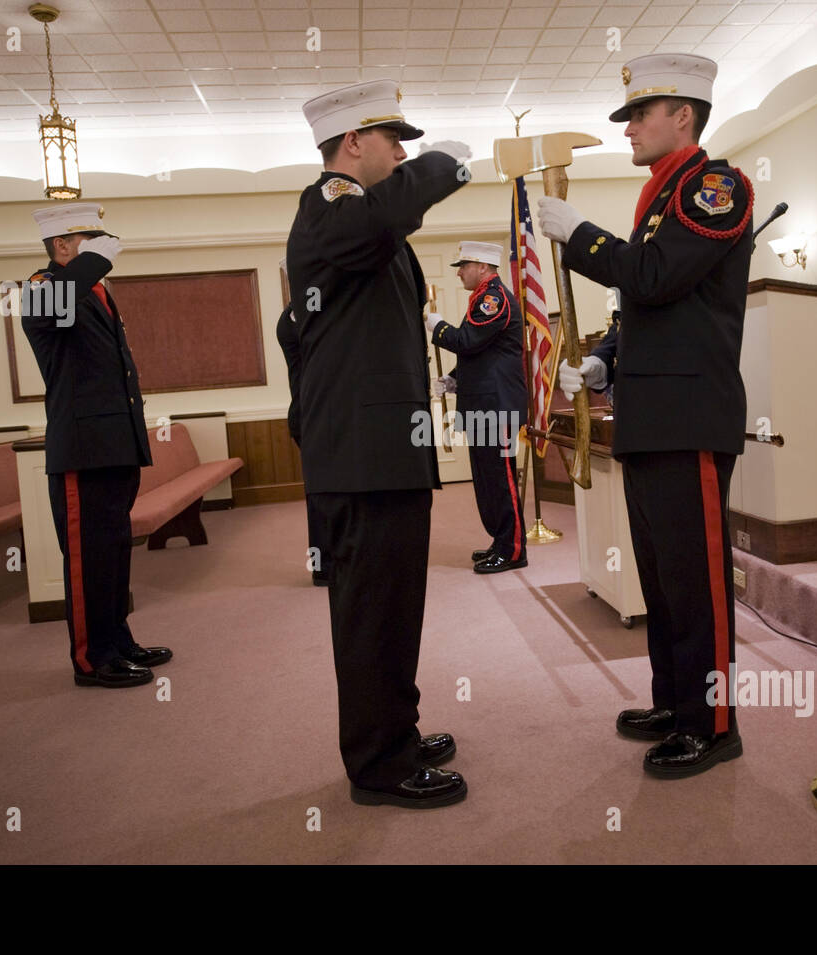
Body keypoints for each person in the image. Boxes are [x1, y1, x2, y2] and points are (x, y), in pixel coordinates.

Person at [539, 53, 753, 778]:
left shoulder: (716, 187)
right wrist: (609, 360)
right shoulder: (661, 197)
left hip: (689, 416)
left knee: (697, 581)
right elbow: (659, 306)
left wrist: (580, 236)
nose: (628, 127)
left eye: (640, 113)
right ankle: (676, 701)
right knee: (662, 576)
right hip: (650, 410)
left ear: (683, 116)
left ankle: (714, 722)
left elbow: (656, 274)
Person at [286, 79, 472, 808]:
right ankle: (377, 762)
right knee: (370, 613)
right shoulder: (328, 208)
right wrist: (447, 164)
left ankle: (396, 728)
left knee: (395, 605)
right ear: (350, 143)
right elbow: (386, 215)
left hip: (383, 450)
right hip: (362, 458)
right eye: (393, 139)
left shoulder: (364, 223)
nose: (403, 152)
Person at [24, 203, 172, 689]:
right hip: (82, 449)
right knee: (87, 557)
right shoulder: (42, 290)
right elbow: (57, 306)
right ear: (62, 246)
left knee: (113, 550)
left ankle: (118, 640)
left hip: (115, 444)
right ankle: (91, 659)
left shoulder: (95, 292)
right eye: (90, 239)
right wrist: (97, 261)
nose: (104, 246)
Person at [427, 241, 527, 573]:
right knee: (487, 480)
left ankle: (513, 550)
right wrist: (455, 379)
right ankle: (500, 541)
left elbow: (467, 341)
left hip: (496, 407)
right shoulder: (482, 298)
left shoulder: (492, 298)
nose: (459, 273)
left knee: (501, 479)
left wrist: (437, 326)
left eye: (463, 266)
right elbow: (482, 353)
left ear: (483, 267)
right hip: (483, 403)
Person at [275, 256, 327, 587]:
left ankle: (333, 563)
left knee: (328, 493)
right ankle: (325, 566)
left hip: (316, 413)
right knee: (323, 495)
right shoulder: (299, 315)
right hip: (312, 415)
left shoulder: (305, 310)